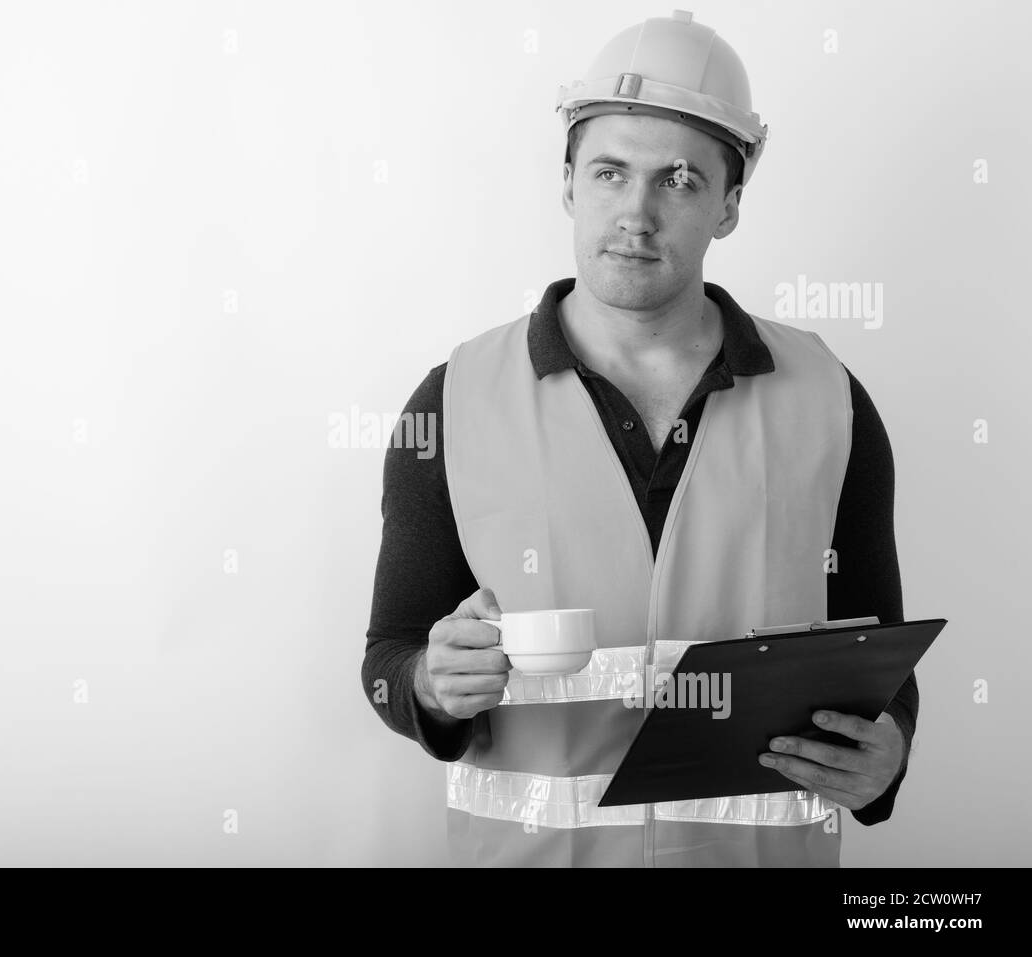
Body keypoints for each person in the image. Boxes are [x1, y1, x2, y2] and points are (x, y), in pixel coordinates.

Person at [361, 9, 917, 867]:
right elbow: (389, 656)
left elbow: (879, 662)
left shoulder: (831, 401)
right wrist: (430, 684)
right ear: (568, 183)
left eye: (681, 180)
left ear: (730, 204)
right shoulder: (454, 401)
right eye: (611, 172)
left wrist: (888, 757)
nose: (637, 213)